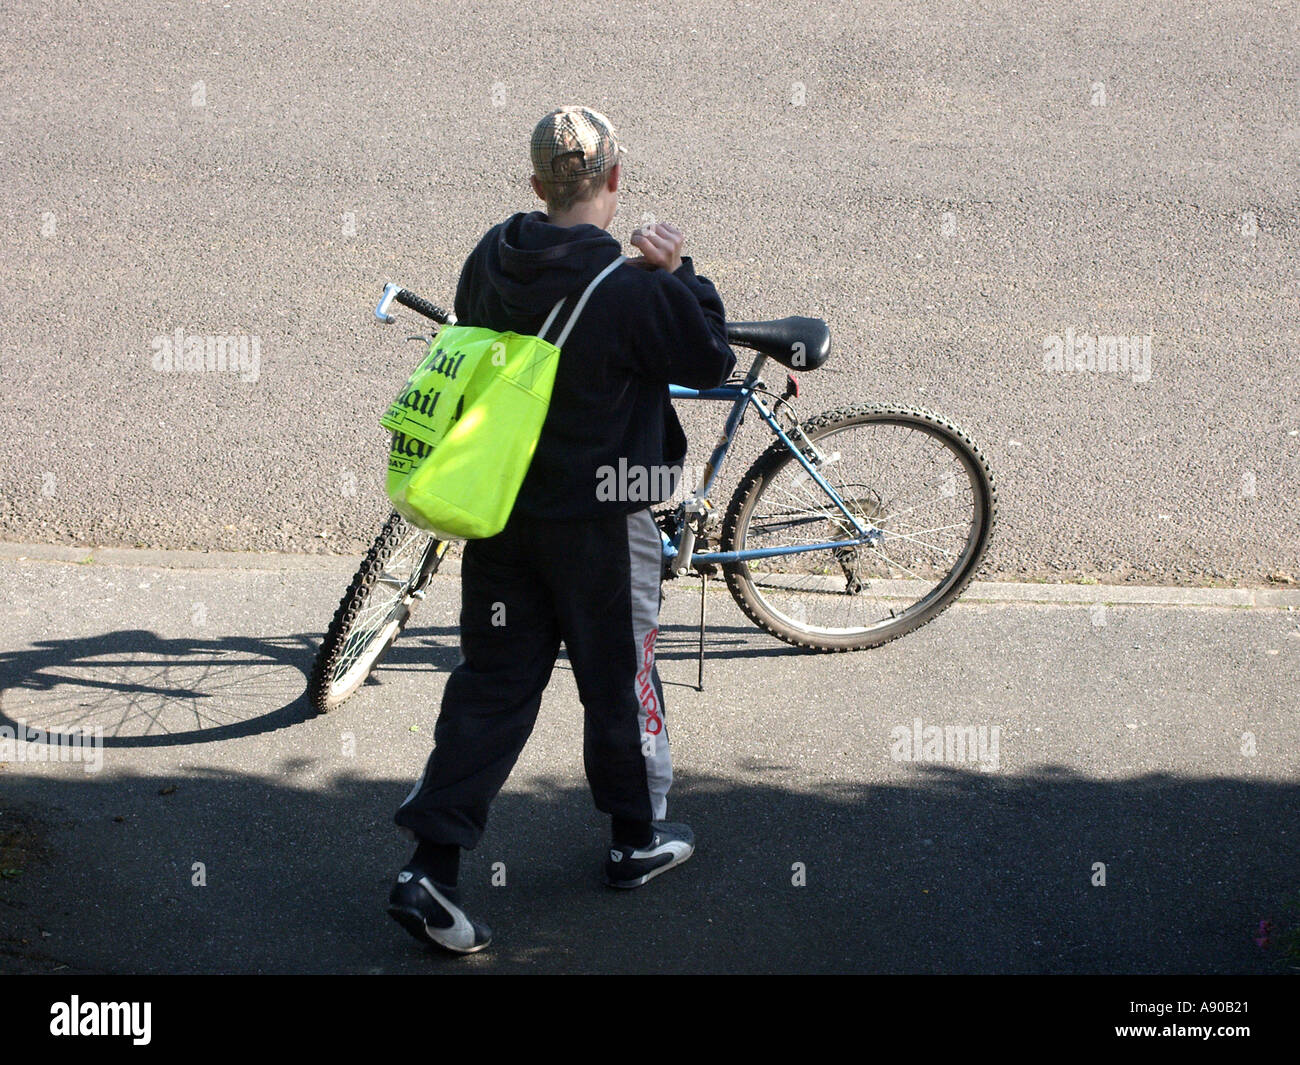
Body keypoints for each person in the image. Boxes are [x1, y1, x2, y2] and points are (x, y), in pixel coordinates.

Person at [386, 106, 737, 954]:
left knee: (494, 685)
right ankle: (634, 838)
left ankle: (431, 867)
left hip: (502, 510)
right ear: (614, 180)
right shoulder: (633, 286)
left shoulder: (491, 253)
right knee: (618, 679)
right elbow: (710, 359)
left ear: (538, 185)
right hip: (603, 522)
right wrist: (682, 274)